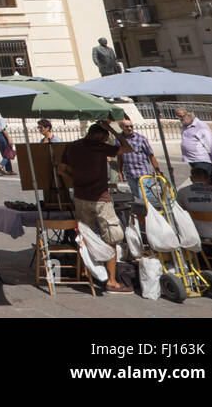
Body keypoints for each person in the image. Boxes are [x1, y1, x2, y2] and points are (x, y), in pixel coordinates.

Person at [57, 120, 133, 293]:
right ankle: (112, 280)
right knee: (111, 237)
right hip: (100, 198)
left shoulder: (72, 146)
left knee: (86, 236)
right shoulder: (100, 146)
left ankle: (87, 272)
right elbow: (128, 148)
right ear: (101, 135)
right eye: (106, 137)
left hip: (80, 197)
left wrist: (76, 177)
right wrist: (113, 130)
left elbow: (61, 170)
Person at [116, 117, 161, 196]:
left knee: (144, 194)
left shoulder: (141, 139)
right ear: (121, 127)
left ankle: (150, 208)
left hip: (143, 172)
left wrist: (157, 170)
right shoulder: (118, 139)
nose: (129, 128)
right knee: (136, 195)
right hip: (129, 173)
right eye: (127, 126)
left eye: (131, 126)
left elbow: (150, 155)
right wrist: (120, 171)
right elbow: (120, 157)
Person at [176, 108, 212, 182]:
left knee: (208, 181)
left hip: (202, 160)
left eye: (182, 116)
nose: (180, 119)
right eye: (178, 117)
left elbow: (211, 143)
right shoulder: (184, 126)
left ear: (189, 115)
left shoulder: (200, 126)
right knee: (199, 182)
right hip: (192, 160)